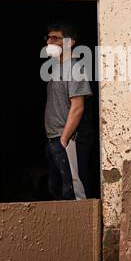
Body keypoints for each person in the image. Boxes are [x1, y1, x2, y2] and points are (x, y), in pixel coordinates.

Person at [42, 22, 91, 201]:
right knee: (57, 188)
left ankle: (85, 226)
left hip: (68, 139)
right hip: (54, 138)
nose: (49, 41)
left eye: (55, 38)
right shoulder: (56, 68)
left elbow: (78, 107)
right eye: (48, 37)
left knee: (74, 188)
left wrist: (64, 139)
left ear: (70, 42)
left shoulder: (75, 68)